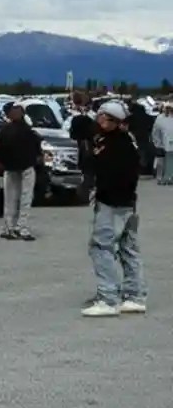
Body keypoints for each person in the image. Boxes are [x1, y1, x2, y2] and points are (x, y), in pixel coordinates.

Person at [82, 101, 147, 317]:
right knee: (128, 248)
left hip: (113, 202)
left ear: (115, 121)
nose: (99, 120)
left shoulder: (116, 144)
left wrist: (100, 192)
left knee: (101, 247)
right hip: (127, 202)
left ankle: (108, 298)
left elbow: (112, 173)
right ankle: (134, 295)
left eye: (104, 117)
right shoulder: (124, 141)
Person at [0, 103, 42, 241]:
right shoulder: (28, 131)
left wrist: (3, 163)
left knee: (11, 198)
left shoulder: (5, 131)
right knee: (24, 198)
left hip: (12, 168)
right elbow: (37, 149)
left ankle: (10, 227)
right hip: (24, 167)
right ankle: (21, 227)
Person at [68, 92, 98, 203]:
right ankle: (88, 192)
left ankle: (84, 193)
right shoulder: (92, 117)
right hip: (88, 147)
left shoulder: (73, 118)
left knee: (84, 170)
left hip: (80, 147)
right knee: (88, 171)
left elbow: (70, 133)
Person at [152, 104, 173, 186]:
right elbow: (156, 132)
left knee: (167, 159)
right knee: (166, 160)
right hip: (166, 144)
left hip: (166, 143)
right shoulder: (161, 119)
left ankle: (166, 177)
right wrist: (158, 143)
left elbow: (155, 132)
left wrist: (157, 142)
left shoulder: (160, 118)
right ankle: (166, 177)